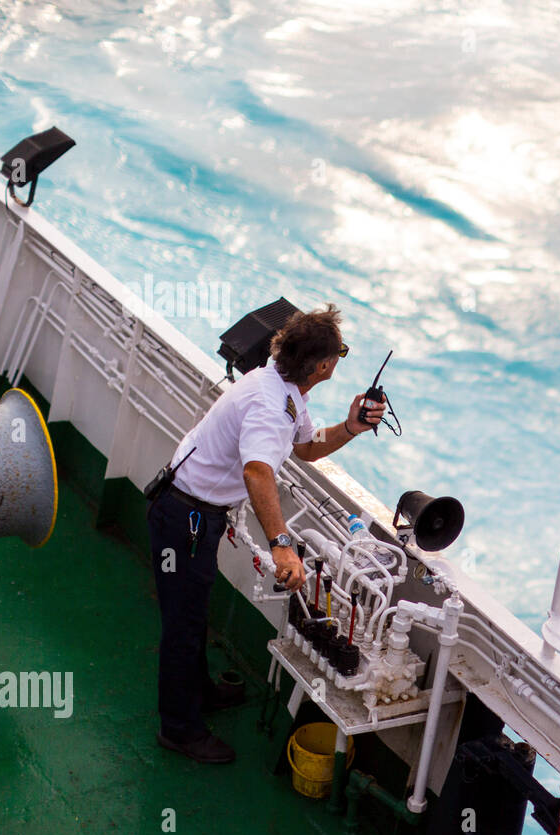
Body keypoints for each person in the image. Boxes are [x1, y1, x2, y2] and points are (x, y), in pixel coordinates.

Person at [147, 304, 384, 763]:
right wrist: (282, 546)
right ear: (323, 366)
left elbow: (306, 448)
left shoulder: (281, 387)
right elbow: (258, 472)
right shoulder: (271, 404)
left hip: (191, 515)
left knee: (191, 613)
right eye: (339, 354)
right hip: (186, 519)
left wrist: (352, 427)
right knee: (183, 624)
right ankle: (179, 730)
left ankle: (197, 693)